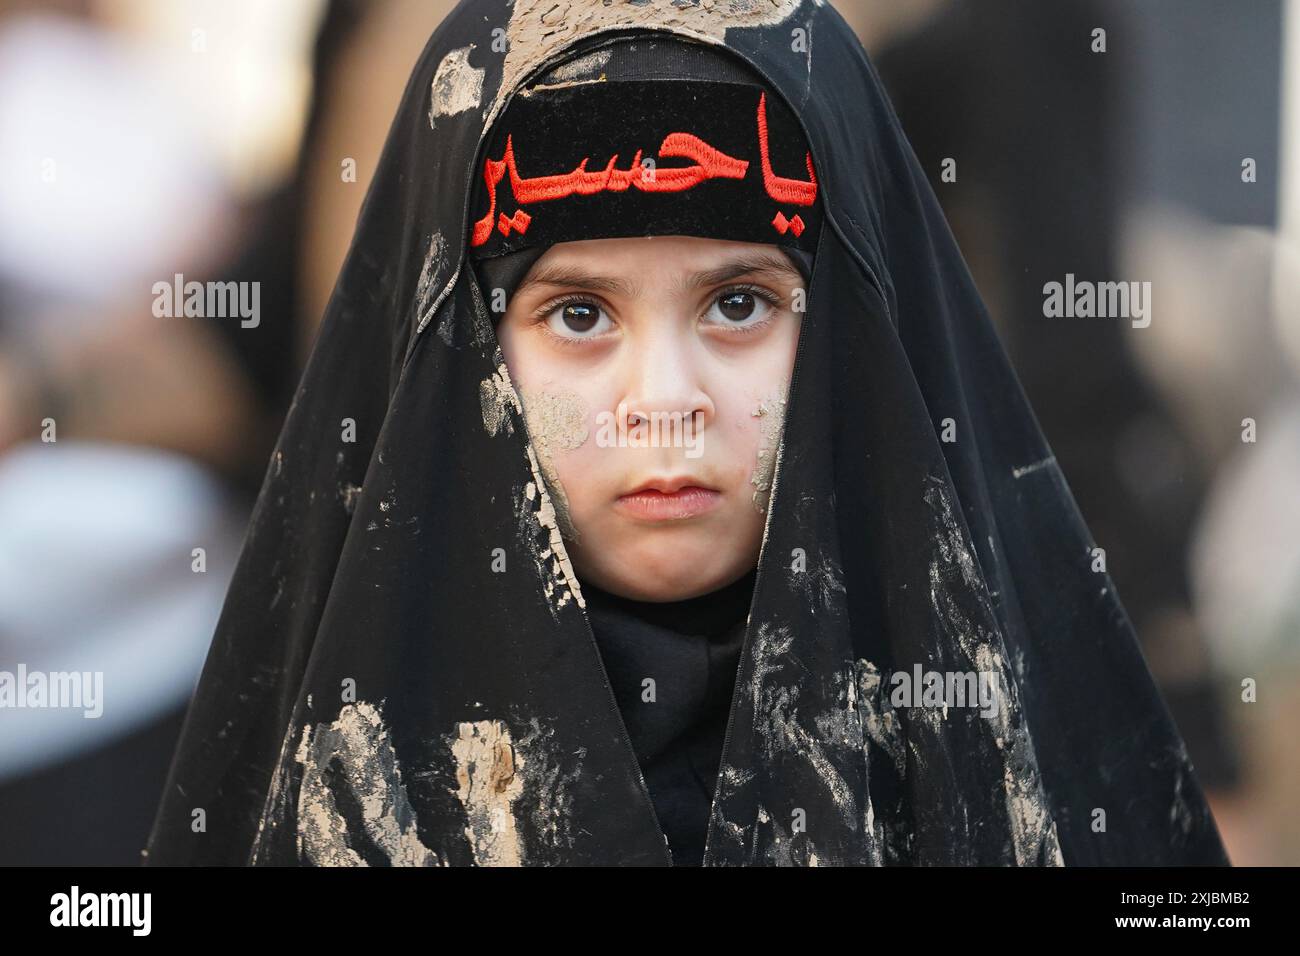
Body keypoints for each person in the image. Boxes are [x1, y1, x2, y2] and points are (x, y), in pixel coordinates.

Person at [144, 0, 1228, 866]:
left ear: (855, 327)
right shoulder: (341, 789)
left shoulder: (1005, 771)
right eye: (577, 314)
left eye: (740, 304)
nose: (664, 399)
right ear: (464, 350)